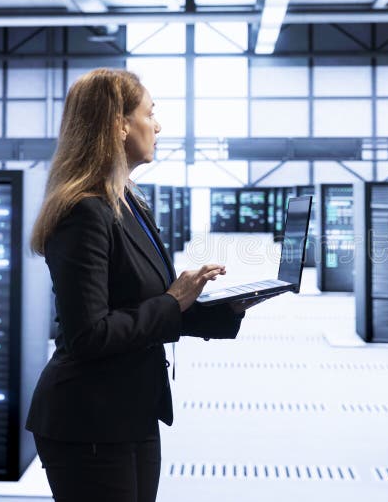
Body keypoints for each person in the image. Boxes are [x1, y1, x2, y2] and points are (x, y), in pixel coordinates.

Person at [26, 68, 262, 502]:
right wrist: (175, 299)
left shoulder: (129, 200)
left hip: (131, 411)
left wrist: (224, 308)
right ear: (117, 125)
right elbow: (88, 336)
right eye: (149, 114)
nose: (158, 125)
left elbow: (145, 306)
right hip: (87, 420)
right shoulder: (85, 212)